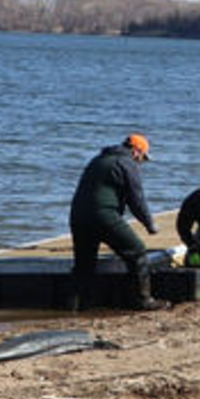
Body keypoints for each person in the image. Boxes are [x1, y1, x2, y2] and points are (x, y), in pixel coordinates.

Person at [68, 132, 168, 311]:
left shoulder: (99, 159)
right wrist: (149, 224)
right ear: (136, 152)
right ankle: (143, 300)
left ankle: (77, 306)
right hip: (103, 215)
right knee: (137, 251)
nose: (141, 163)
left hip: (78, 216)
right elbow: (136, 199)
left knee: (84, 264)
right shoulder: (127, 163)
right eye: (142, 158)